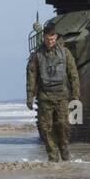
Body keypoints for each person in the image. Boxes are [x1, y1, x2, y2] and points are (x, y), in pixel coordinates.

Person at [25, 22, 80, 161]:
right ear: (43, 37)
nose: (51, 42)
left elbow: (73, 74)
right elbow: (31, 77)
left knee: (64, 125)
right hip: (45, 97)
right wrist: (30, 96)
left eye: (53, 39)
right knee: (46, 129)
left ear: (56, 36)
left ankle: (64, 150)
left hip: (62, 96)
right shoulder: (37, 56)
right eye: (48, 39)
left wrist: (76, 94)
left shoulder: (65, 53)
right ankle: (52, 156)